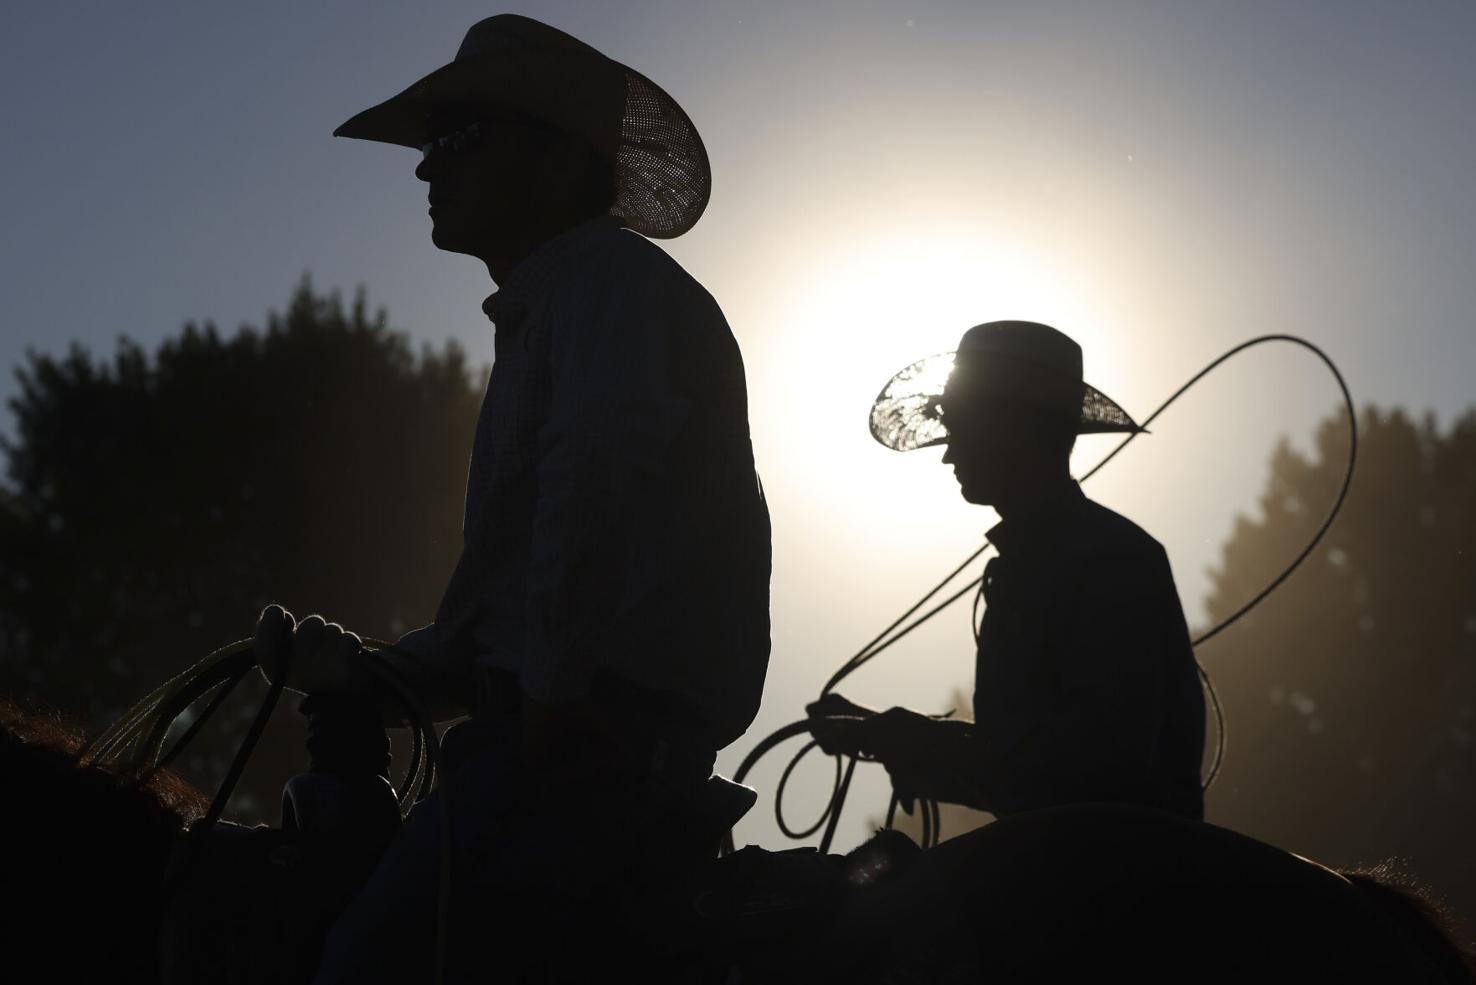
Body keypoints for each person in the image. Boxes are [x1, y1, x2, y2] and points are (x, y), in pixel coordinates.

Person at [253, 14, 771, 981]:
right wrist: (367, 671)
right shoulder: (564, 307)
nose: (424, 170)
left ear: (553, 159)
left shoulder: (609, 290)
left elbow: (592, 493)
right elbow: (503, 619)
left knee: (363, 967)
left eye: (454, 142)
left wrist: (551, 698)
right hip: (558, 745)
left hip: (588, 762)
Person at [810, 320, 1205, 822]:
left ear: (1014, 430)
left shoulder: (1110, 559)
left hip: (1118, 883)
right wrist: (887, 735)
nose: (949, 453)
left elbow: (1091, 775)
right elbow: (1032, 760)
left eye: (962, 426)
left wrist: (913, 744)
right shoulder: (1046, 559)